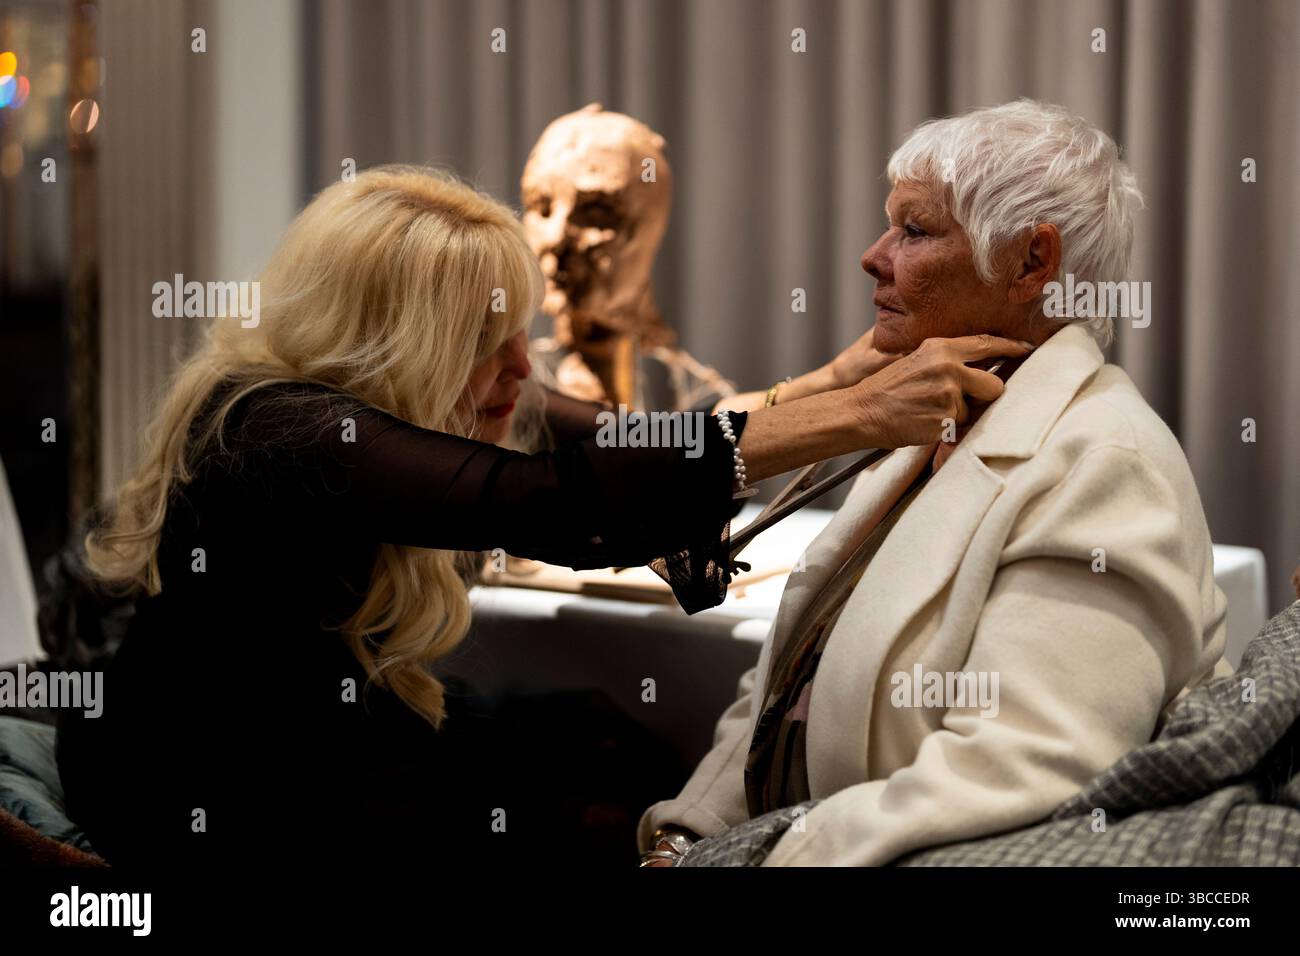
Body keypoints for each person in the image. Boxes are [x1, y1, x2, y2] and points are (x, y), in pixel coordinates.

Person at [56, 164, 1029, 867]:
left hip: (328, 731)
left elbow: (631, 441)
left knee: (610, 736)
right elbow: (556, 504)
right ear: (399, 339)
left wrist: (838, 379)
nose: (523, 369)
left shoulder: (371, 394)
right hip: (223, 787)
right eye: (487, 341)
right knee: (581, 805)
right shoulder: (283, 428)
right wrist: (858, 416)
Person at [641, 100, 1230, 867]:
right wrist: (684, 837)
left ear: (1031, 263)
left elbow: (1021, 770)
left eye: (914, 231)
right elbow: (786, 690)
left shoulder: (1104, 464)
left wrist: (757, 861)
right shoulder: (931, 424)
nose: (872, 255)